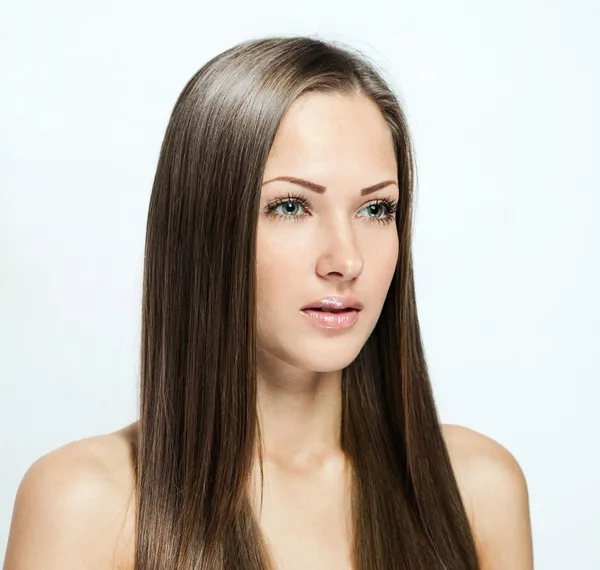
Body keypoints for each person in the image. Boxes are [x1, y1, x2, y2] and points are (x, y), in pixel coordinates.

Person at [3, 35, 533, 570]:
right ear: (205, 226)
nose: (346, 260)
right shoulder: (86, 506)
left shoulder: (476, 491)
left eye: (375, 210)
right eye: (290, 205)